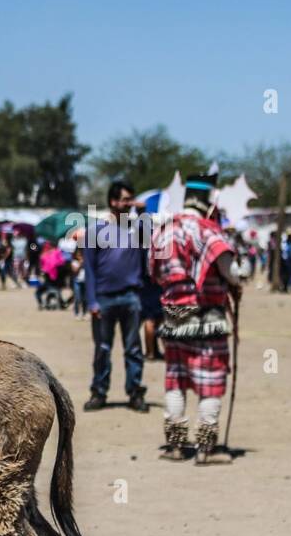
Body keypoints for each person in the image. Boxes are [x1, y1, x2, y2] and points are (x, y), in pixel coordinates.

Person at [150, 173, 241, 465]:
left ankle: (175, 446)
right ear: (208, 201)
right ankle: (206, 449)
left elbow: (153, 272)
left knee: (176, 380)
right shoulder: (208, 231)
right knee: (209, 381)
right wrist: (237, 282)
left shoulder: (163, 232)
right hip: (206, 317)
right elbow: (232, 271)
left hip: (174, 318)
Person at [83, 180, 147, 413]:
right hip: (103, 299)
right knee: (103, 349)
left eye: (131, 199)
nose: (129, 203)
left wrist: (142, 212)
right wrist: (91, 300)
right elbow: (89, 269)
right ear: (113, 202)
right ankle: (99, 392)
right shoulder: (95, 231)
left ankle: (135, 392)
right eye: (125, 199)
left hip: (131, 297)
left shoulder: (137, 229)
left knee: (133, 349)